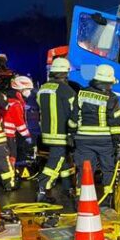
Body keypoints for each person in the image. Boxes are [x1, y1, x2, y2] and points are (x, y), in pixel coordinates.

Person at [72, 64, 120, 200]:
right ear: (108, 82)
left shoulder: (82, 93)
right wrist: (117, 143)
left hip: (83, 140)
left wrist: (71, 134)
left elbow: (73, 118)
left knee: (85, 169)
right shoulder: (112, 98)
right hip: (104, 141)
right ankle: (107, 200)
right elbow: (116, 124)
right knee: (108, 169)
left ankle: (81, 200)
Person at [36, 57, 77, 202]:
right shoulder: (67, 90)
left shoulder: (43, 88)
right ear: (65, 73)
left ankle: (67, 188)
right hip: (60, 134)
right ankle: (43, 186)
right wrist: (73, 133)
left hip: (46, 133)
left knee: (64, 160)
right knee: (56, 160)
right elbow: (75, 114)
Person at [4, 75, 34, 170]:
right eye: (27, 89)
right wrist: (27, 136)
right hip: (9, 135)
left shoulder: (10, 99)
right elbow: (19, 123)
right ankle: (10, 175)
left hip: (4, 133)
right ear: (20, 89)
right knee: (12, 155)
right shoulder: (16, 104)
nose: (28, 92)